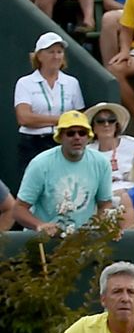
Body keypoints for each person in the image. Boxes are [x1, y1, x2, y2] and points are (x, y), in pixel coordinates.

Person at [15, 111, 114, 234]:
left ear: (88, 137)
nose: (77, 137)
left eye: (82, 133)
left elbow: (105, 203)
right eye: (70, 133)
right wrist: (41, 226)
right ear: (60, 137)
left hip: (83, 240)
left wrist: (103, 225)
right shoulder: (40, 164)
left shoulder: (101, 162)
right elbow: (19, 209)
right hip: (44, 240)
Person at [14, 31, 86, 167]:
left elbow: (79, 117)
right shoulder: (25, 83)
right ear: (39, 56)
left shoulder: (72, 83)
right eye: (51, 52)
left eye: (59, 52)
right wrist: (62, 120)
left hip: (64, 143)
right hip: (34, 143)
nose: (56, 56)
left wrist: (41, 120)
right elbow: (24, 118)